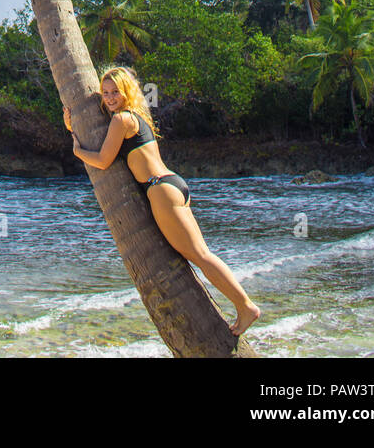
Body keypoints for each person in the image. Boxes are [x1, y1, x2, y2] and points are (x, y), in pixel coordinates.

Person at [63, 65, 261, 337]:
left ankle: (246, 306)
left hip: (161, 190)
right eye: (105, 93)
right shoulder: (136, 116)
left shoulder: (121, 120)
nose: (109, 98)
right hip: (173, 186)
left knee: (200, 256)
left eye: (115, 92)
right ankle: (242, 306)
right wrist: (73, 125)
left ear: (126, 92)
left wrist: (77, 150)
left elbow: (103, 160)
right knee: (199, 254)